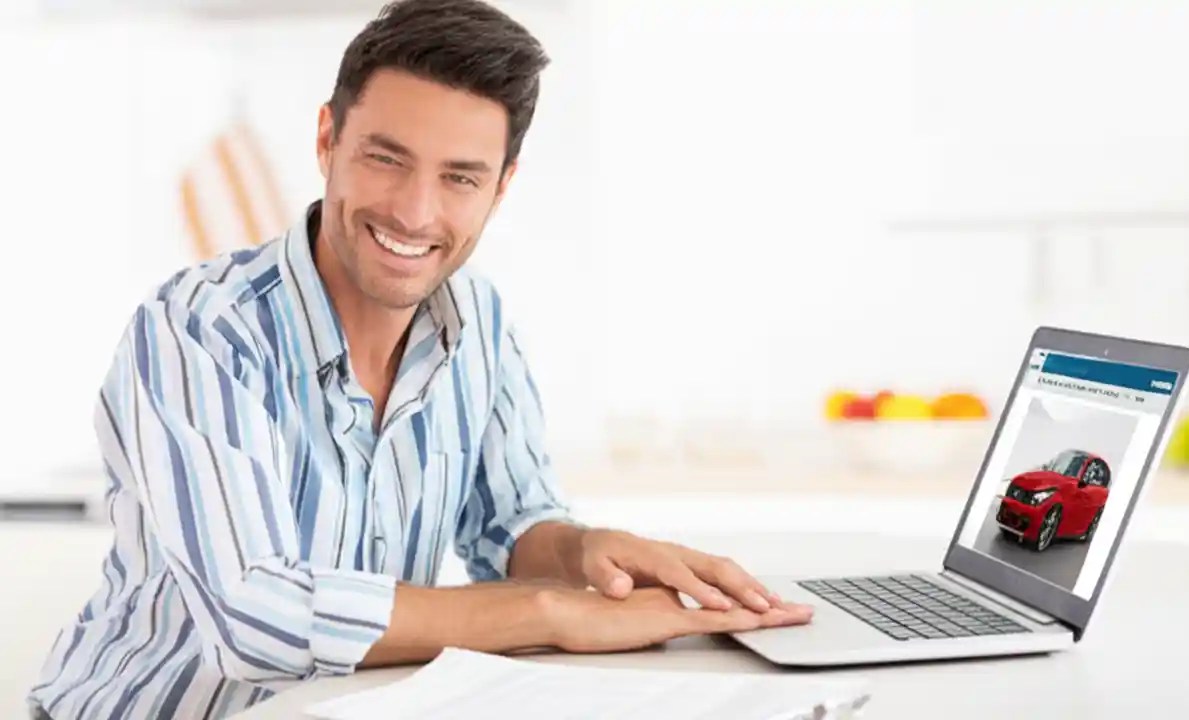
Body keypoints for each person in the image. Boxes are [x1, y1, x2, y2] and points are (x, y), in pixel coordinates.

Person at [28, 1, 812, 717]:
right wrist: (549, 611)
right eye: (386, 158)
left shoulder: (481, 323)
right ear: (327, 140)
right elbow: (255, 619)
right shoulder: (202, 329)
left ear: (500, 188)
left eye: (460, 177)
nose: (414, 211)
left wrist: (581, 553)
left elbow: (510, 525)